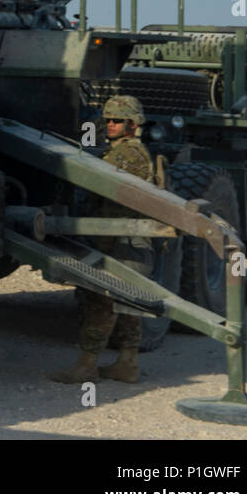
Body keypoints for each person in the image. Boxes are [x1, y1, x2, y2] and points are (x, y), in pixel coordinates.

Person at [50, 95, 154, 385]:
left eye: (118, 120)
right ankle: (128, 363)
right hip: (131, 240)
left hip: (120, 240)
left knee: (101, 303)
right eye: (107, 119)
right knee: (129, 305)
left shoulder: (127, 155)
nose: (110, 124)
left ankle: (86, 365)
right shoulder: (128, 152)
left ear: (132, 125)